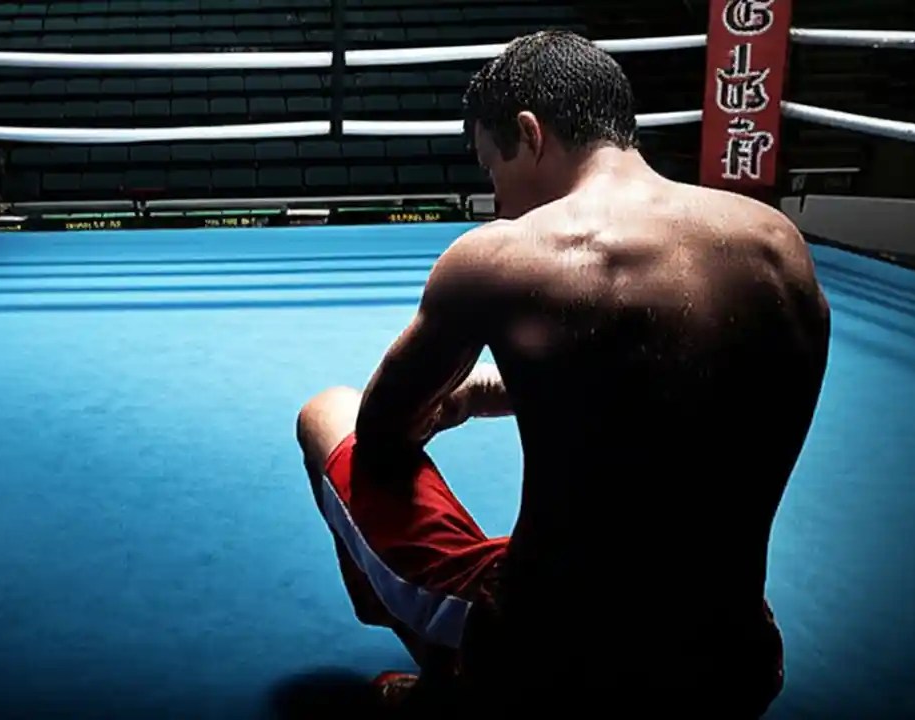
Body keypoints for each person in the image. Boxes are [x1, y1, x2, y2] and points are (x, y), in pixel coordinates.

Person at [295, 30, 831, 717]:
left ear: (530, 133)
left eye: (495, 172)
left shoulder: (504, 255)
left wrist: (447, 398)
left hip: (540, 670)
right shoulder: (774, 247)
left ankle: (455, 686)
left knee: (328, 413)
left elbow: (383, 431)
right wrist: (489, 394)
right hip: (731, 667)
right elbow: (685, 387)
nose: (497, 201)